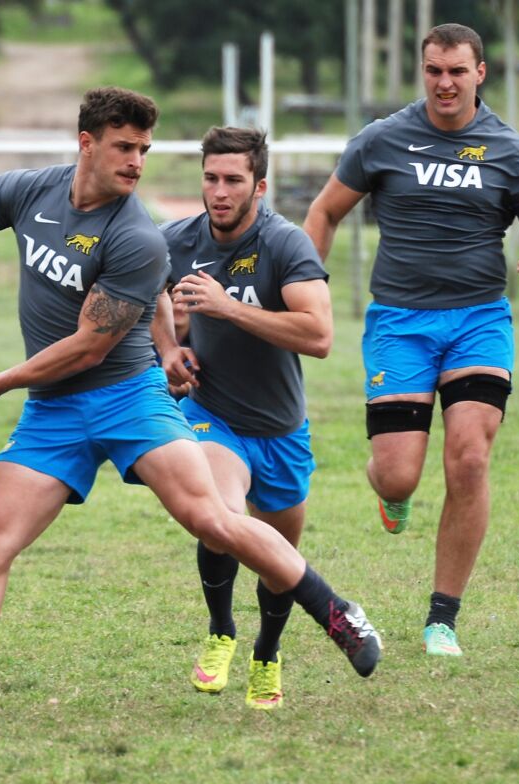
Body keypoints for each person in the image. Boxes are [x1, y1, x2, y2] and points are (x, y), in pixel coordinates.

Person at [0, 87, 381, 728]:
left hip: (126, 396)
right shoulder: (30, 192)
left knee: (213, 520)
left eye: (144, 150)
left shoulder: (137, 235)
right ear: (87, 143)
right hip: (55, 409)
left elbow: (88, 346)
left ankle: (337, 612)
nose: (137, 161)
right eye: (125, 147)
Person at [303, 22, 519, 657]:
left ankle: (442, 618)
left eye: (456, 71)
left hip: (479, 320)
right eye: (433, 71)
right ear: (422, 72)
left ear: (480, 73)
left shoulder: (511, 151)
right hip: (399, 321)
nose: (444, 83)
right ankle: (391, 496)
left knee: (470, 458)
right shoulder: (382, 140)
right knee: (398, 477)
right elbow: (323, 212)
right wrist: (307, 292)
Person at [153, 127, 336, 710]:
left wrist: (228, 308)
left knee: (278, 557)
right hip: (213, 414)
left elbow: (320, 334)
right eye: (211, 178)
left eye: (233, 180)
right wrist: (167, 349)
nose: (220, 192)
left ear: (260, 185)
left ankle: (266, 652)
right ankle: (220, 632)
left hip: (282, 429)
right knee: (219, 518)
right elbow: (135, 289)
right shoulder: (175, 241)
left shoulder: (286, 245)